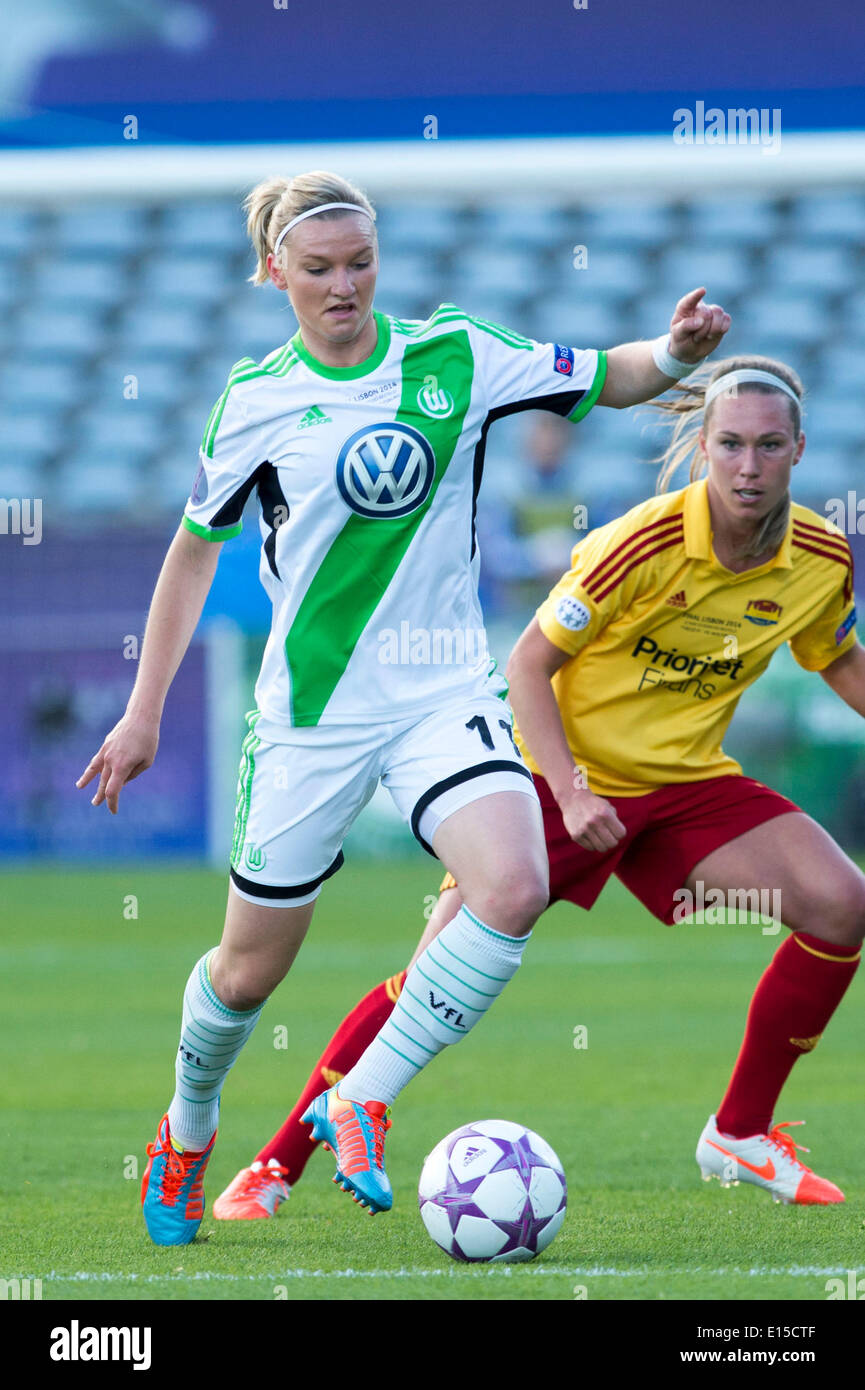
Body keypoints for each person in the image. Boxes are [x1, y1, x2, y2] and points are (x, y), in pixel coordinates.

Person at [77, 169, 730, 1245]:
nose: (344, 286)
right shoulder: (255, 400)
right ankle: (187, 1128)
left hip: (442, 691)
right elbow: (194, 554)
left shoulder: (455, 355)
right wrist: (143, 710)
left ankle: (360, 1093)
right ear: (273, 272)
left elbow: (604, 376)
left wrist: (675, 356)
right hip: (311, 716)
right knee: (247, 971)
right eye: (319, 269)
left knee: (514, 883)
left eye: (361, 264)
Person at [213, 352, 863, 1221]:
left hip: (684, 789)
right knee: (434, 976)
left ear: (798, 449)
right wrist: (570, 790)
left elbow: (837, 656)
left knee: (841, 906)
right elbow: (526, 665)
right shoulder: (641, 541)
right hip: (552, 780)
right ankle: (276, 1163)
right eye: (731, 444)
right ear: (703, 446)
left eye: (769, 446)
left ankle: (739, 1133)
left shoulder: (820, 557)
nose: (748, 466)